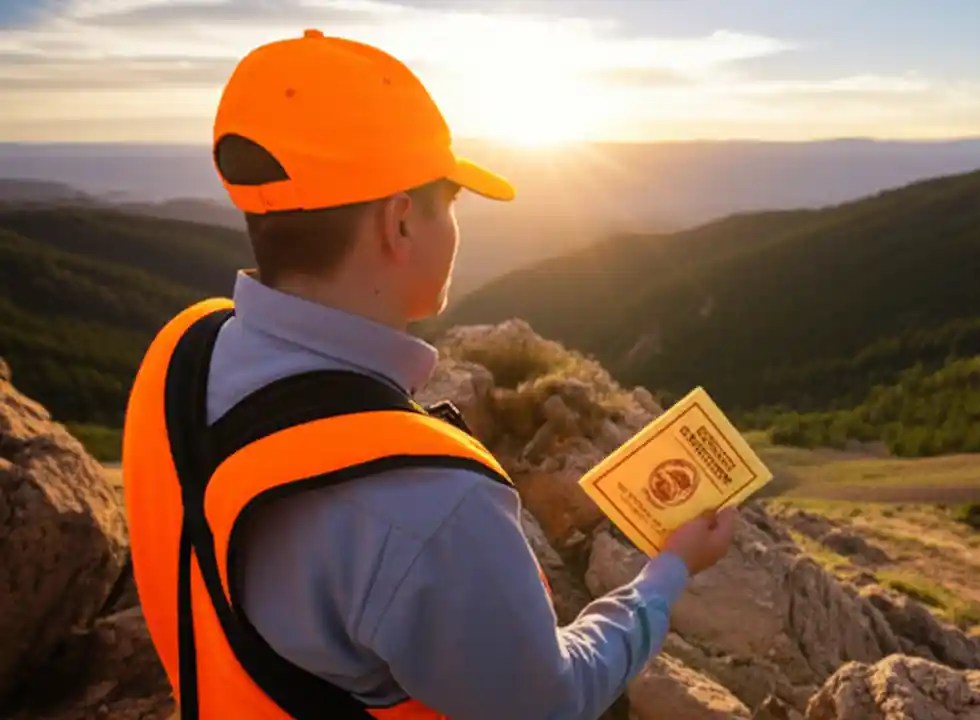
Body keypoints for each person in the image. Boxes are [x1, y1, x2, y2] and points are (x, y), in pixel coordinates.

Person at [122, 29, 737, 720]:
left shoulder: (181, 352)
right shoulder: (429, 506)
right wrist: (668, 573)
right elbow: (551, 704)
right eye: (450, 203)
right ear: (401, 225)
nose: (455, 229)